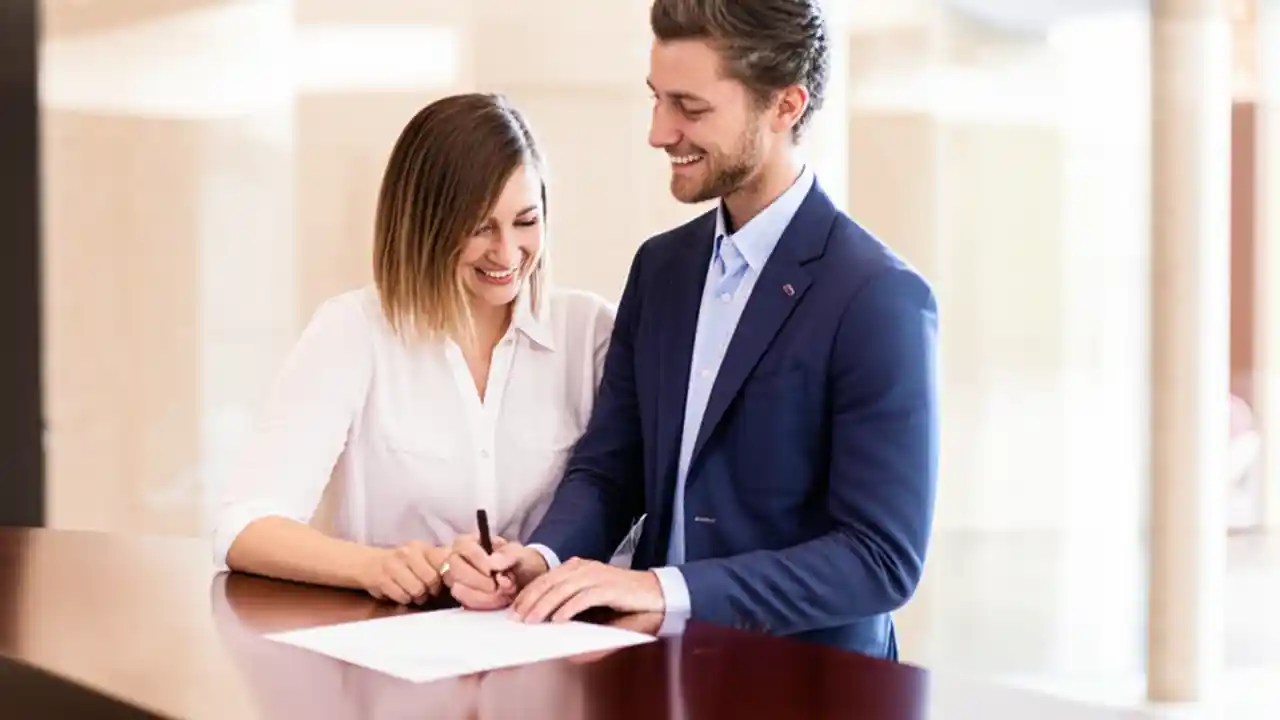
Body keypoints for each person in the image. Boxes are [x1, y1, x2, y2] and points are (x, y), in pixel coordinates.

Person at [444, 0, 939, 660]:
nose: (658, 131)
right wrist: (543, 557)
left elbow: (879, 560)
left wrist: (664, 588)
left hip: (808, 686)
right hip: (653, 672)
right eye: (657, 100)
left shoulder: (879, 298)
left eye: (690, 107)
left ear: (785, 106)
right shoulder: (661, 268)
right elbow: (610, 466)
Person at [210, 93, 615, 606]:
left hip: (550, 644)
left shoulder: (591, 331)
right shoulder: (354, 331)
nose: (508, 253)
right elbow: (244, 527)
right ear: (428, 225)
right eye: (479, 227)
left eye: (525, 222)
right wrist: (377, 565)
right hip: (398, 645)